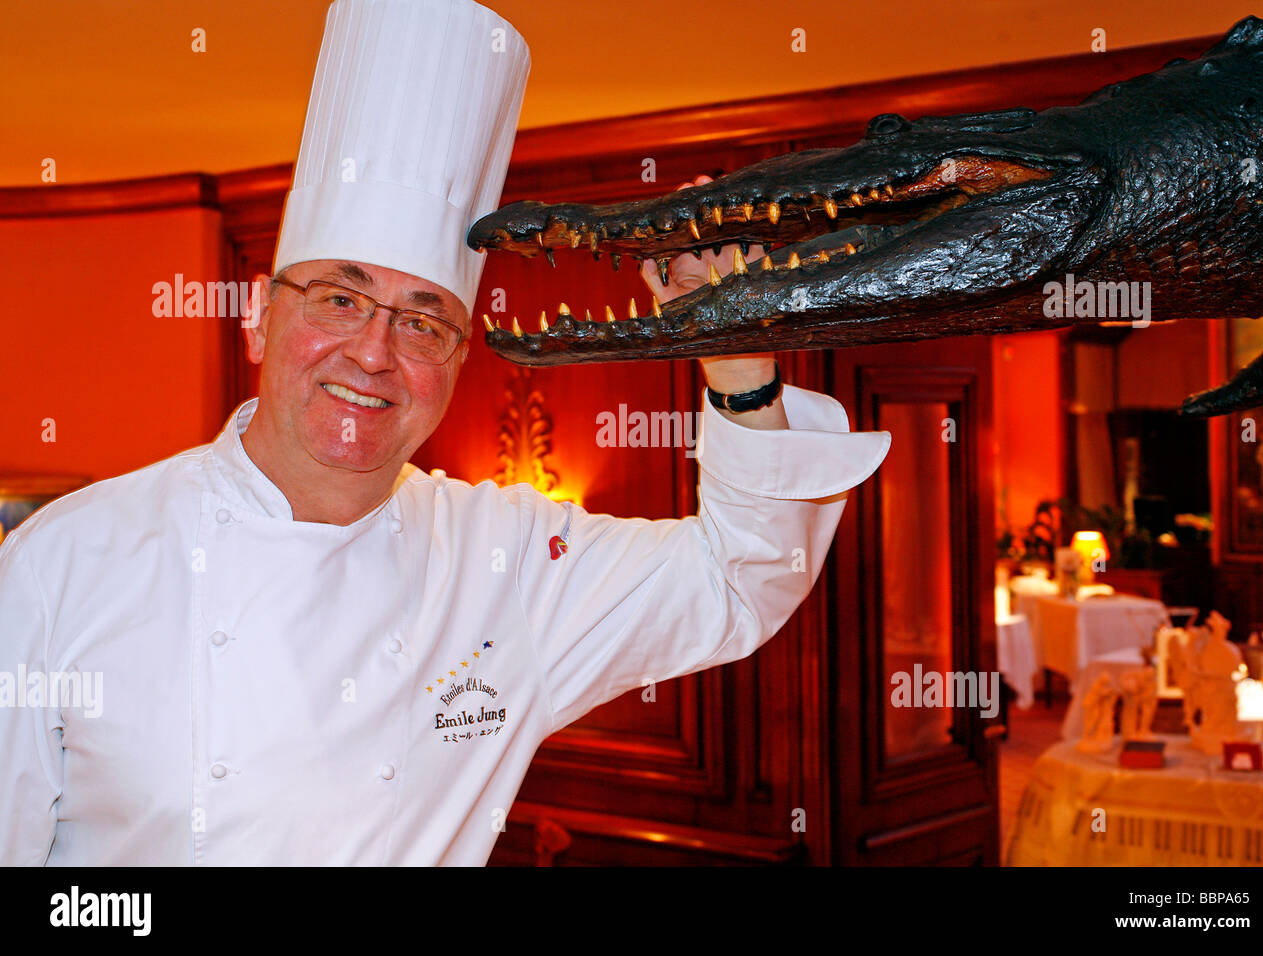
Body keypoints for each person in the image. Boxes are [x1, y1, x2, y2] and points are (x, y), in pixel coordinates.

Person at [0, 0, 890, 865]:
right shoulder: (64, 561)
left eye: (424, 321)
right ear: (260, 323)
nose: (374, 351)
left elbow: (738, 581)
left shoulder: (506, 561)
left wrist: (738, 366)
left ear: (459, 362)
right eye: (340, 299)